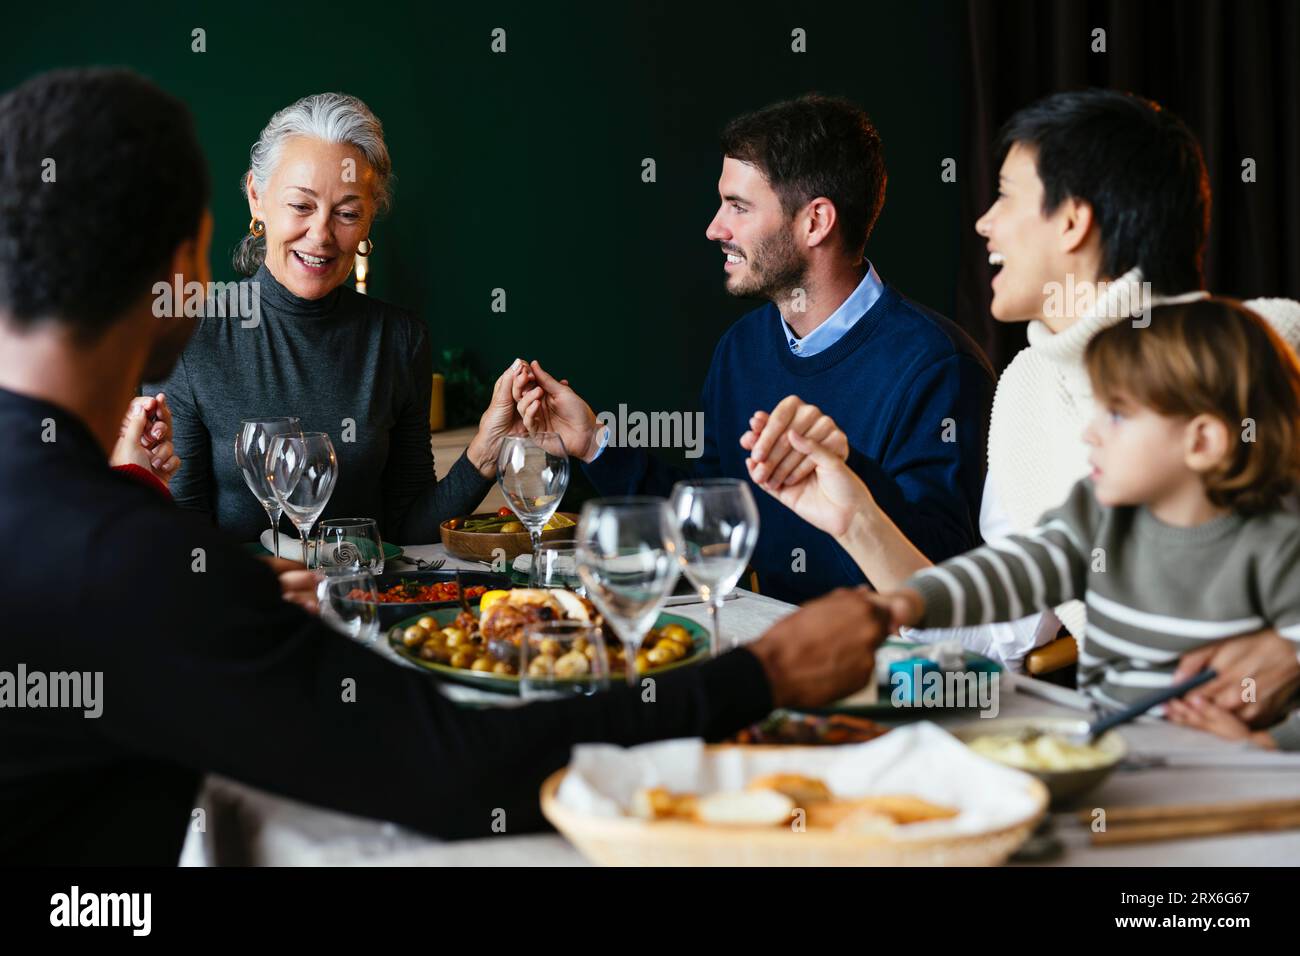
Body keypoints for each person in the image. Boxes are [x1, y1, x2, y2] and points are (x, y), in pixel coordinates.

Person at [0, 68, 890, 864]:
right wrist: (761, 676)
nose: (322, 232)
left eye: (348, 210)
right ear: (189, 260)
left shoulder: (111, 536)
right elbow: (461, 773)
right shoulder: (133, 563)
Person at [744, 89, 1300, 722]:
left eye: (1006, 195)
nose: (985, 223)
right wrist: (855, 520)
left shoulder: (1273, 339)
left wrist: (1291, 649)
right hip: (1151, 750)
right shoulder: (1023, 392)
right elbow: (998, 637)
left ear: (1072, 221)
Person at [513, 94, 995, 604]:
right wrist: (594, 445)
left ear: (815, 222)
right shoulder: (742, 349)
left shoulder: (939, 367)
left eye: (738, 207)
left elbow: (942, 575)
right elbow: (710, 520)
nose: (714, 228)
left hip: (888, 669)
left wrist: (841, 468)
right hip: (767, 648)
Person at [871, 298, 1300, 750]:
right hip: (1109, 758)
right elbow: (1012, 571)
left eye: (1116, 414)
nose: (1089, 433)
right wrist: (905, 604)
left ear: (1203, 441)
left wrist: (1266, 745)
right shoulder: (1095, 516)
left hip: (1229, 773)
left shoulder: (1277, 548)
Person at [146, 92, 530, 544]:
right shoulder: (188, 334)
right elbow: (181, 538)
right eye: (301, 206)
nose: (322, 235)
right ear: (257, 197)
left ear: (369, 222)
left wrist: (486, 449)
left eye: (348, 213)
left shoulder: (399, 339)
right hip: (242, 607)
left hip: (366, 604)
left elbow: (408, 527)